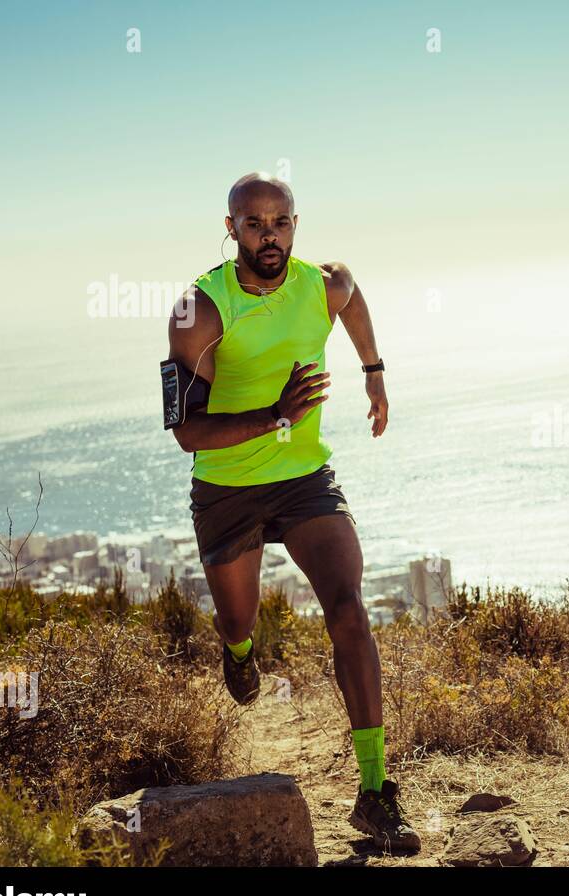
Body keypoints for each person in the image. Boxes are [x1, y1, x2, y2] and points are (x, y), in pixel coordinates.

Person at [161, 171, 419, 854]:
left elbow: (354, 300)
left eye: (279, 222)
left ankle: (375, 791)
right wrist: (276, 416)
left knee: (349, 608)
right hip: (228, 486)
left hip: (305, 478)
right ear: (231, 229)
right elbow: (187, 432)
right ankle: (239, 651)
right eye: (253, 224)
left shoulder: (323, 282)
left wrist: (374, 371)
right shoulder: (199, 310)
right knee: (237, 618)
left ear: (295, 225)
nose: (267, 235)